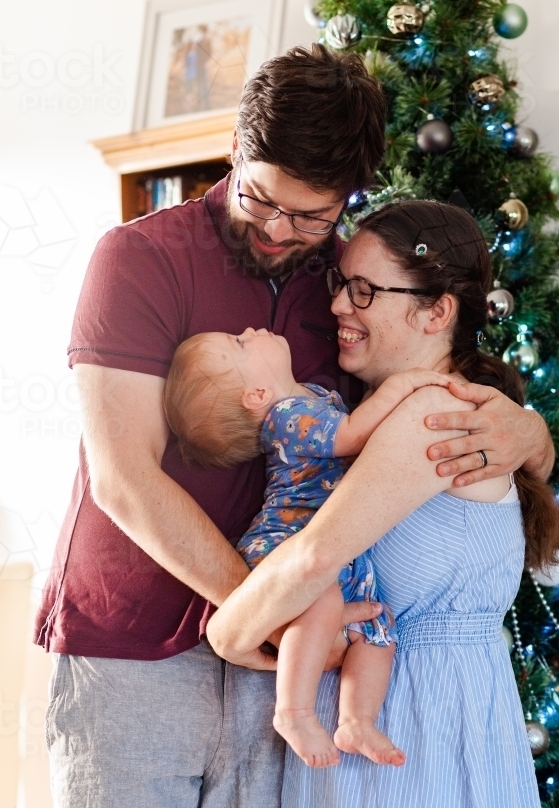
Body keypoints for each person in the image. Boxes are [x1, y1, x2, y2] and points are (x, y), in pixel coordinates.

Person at [36, 43, 555, 808]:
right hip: (139, 647)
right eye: (260, 199)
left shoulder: (353, 286)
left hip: (286, 657)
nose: (279, 230)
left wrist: (528, 434)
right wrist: (267, 612)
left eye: (311, 215)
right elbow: (124, 478)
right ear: (236, 151)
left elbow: (428, 384)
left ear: (349, 196)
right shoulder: (139, 258)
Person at [207, 200, 559, 808]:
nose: (338, 305)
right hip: (410, 726)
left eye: (364, 290)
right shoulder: (417, 414)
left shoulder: (431, 419)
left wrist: (225, 632)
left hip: (412, 734)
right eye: (341, 283)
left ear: (437, 312)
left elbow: (314, 556)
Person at [164, 329, 452, 768]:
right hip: (286, 545)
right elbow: (353, 435)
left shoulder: (312, 397)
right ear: (257, 393)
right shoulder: (288, 417)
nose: (248, 331)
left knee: (378, 629)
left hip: (333, 552)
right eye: (240, 345)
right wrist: (402, 385)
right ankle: (293, 712)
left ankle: (356, 719)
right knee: (324, 602)